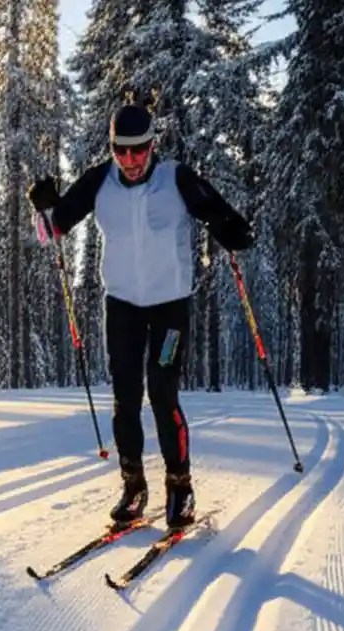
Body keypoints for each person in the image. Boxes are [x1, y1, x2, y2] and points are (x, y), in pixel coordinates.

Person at [27, 94, 254, 532]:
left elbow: (219, 213)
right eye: (121, 150)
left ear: (153, 145)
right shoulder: (99, 181)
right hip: (123, 307)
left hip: (170, 306)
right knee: (125, 396)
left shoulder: (177, 179)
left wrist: (234, 230)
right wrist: (43, 207)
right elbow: (51, 231)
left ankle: (180, 487)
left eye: (139, 149)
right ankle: (134, 487)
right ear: (112, 148)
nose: (130, 160)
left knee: (163, 391)